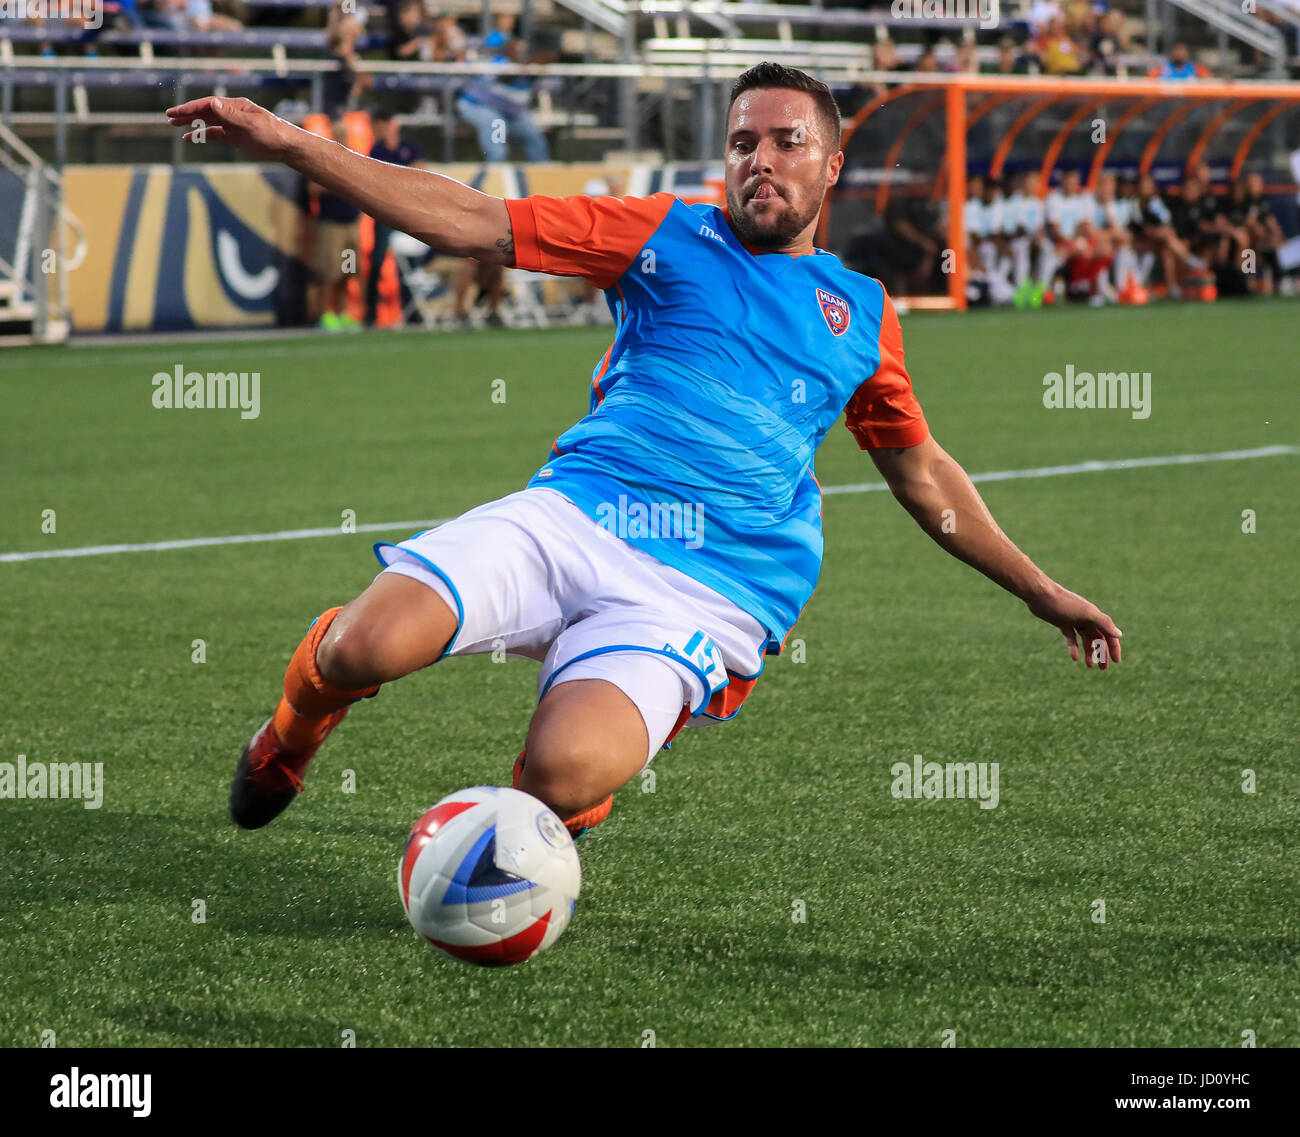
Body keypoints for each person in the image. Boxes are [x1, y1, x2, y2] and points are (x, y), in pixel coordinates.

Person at [164, 64, 1122, 841]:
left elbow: (921, 472)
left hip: (709, 588)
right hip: (579, 512)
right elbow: (471, 220)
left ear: (832, 167)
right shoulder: (668, 232)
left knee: (559, 770)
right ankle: (290, 739)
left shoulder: (863, 313)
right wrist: (292, 143)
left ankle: (561, 809)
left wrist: (1044, 592)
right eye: (744, 141)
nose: (762, 160)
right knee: (360, 643)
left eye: (790, 143)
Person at [457, 12, 550, 162]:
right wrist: (521, 67)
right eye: (514, 50)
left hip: (511, 112)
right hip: (478, 105)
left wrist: (530, 67)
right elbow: (506, 77)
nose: (518, 52)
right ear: (507, 51)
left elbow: (542, 63)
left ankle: (544, 173)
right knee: (496, 125)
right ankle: (495, 169)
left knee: (533, 133)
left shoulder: (532, 70)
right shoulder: (501, 65)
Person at [365, 109, 425, 326]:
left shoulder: (411, 146)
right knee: (378, 261)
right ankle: (370, 312)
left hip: (407, 213)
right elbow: (378, 181)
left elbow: (420, 176)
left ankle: (412, 311)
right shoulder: (376, 150)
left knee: (407, 262)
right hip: (386, 213)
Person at [308, 118, 362, 331]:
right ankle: (323, 315)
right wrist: (338, 181)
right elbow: (313, 189)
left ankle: (341, 313)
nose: (343, 139)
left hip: (350, 224)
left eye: (345, 135)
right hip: (331, 226)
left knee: (346, 272)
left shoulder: (353, 158)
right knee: (328, 273)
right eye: (339, 135)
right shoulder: (322, 158)